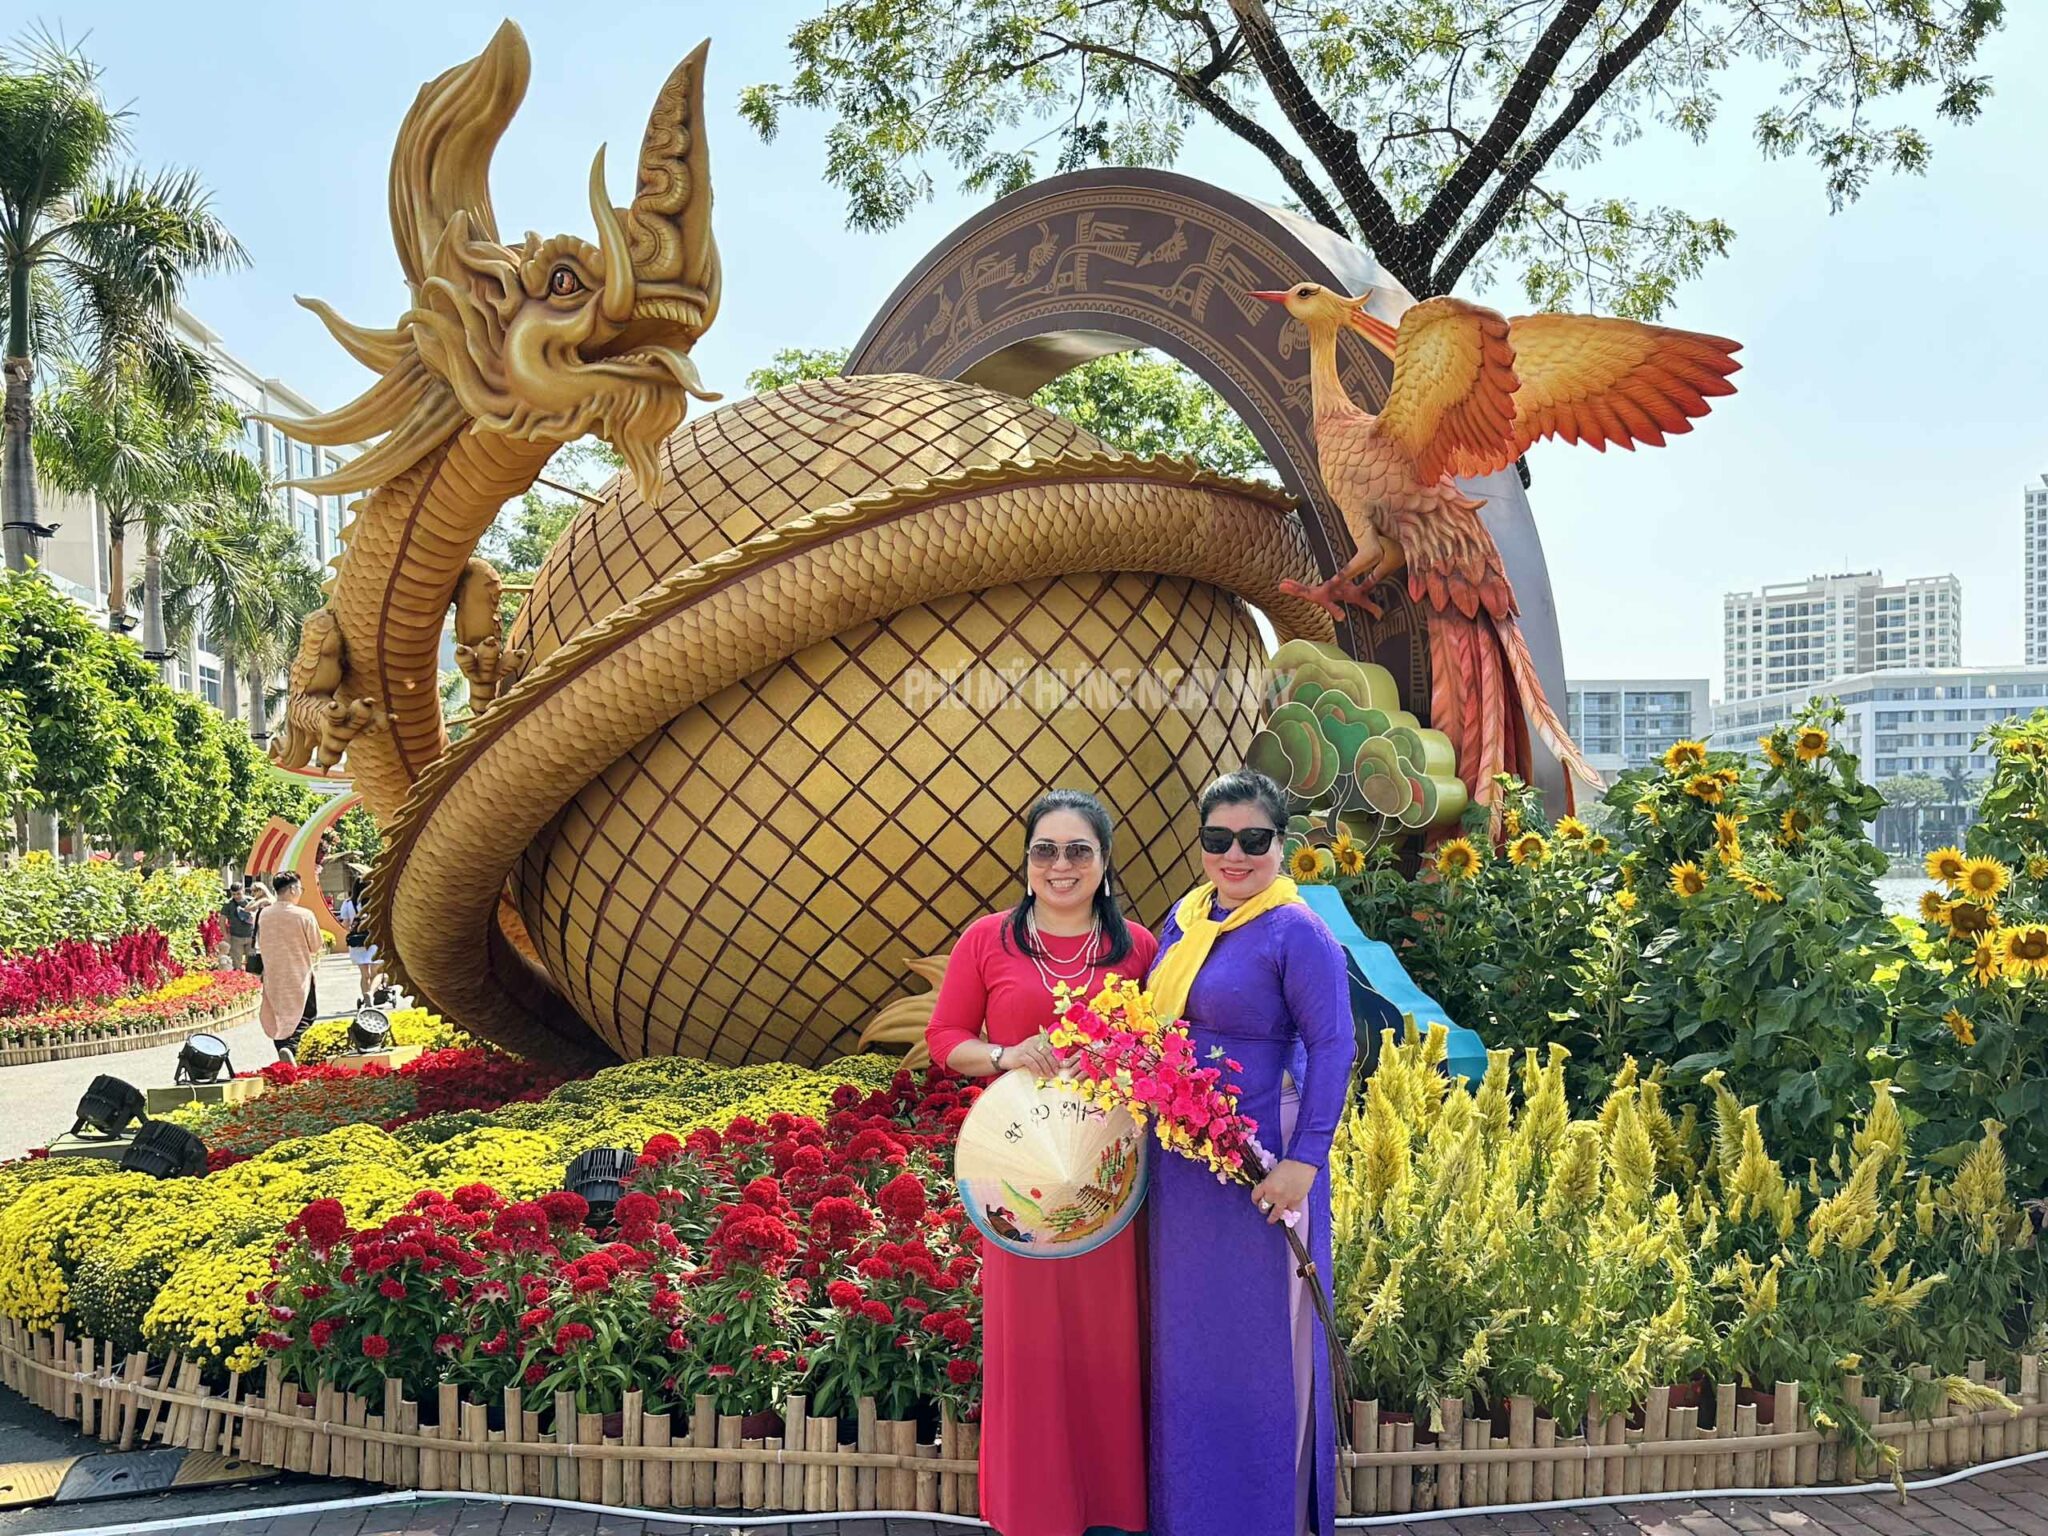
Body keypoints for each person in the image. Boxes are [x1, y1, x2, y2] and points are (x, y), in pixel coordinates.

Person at [925, 789, 1154, 1536]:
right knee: (1029, 1344)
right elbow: (945, 1038)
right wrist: (1003, 1053)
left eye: (1078, 850)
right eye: (1045, 850)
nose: (1062, 865)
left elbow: (1164, 1047)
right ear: (1027, 863)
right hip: (1016, 1182)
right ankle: (1035, 1511)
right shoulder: (987, 941)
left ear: (1104, 862)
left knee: (1109, 1341)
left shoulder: (1137, 948)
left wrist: (1123, 1059)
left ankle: (1113, 1508)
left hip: (1109, 1181)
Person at [1146, 770, 1355, 1536]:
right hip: (1182, 1167)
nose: (1234, 855)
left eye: (1253, 839)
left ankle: (1263, 1518)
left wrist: (1305, 1160)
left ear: (1282, 843)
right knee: (1189, 1342)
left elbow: (1334, 1045)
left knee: (1258, 1341)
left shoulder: (1296, 931)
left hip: (1262, 1162)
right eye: (1218, 838)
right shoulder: (1186, 920)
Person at [255, 872, 324, 1063]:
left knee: (278, 1017)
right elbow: (316, 946)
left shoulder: (263, 915)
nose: (300, 892)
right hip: (299, 976)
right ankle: (291, 1049)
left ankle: (283, 1052)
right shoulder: (304, 915)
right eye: (300, 888)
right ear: (292, 889)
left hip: (273, 976)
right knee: (305, 1016)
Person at [338, 884, 379, 1003]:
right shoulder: (375, 901)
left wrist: (355, 929)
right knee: (376, 972)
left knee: (365, 975)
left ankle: (366, 998)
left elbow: (345, 924)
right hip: (374, 939)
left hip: (357, 942)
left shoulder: (348, 903)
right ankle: (371, 994)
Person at [222, 884, 256, 971]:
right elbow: (222, 920)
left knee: (252, 964)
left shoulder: (251, 901)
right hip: (236, 937)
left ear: (243, 891)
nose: (236, 896)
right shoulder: (228, 904)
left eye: (238, 893)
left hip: (251, 936)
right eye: (234, 894)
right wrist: (225, 935)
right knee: (236, 964)